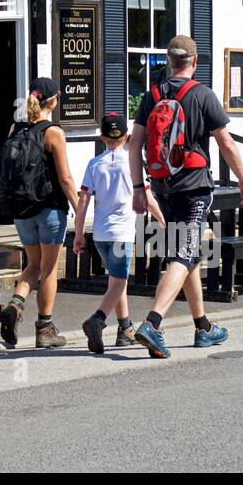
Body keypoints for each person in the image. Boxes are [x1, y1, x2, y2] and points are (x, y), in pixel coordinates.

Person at [129, 35, 243, 359]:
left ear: (169, 62)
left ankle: (203, 327)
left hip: (161, 186)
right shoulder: (202, 95)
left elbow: (134, 145)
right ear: (194, 62)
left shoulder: (151, 96)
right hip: (194, 187)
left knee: (188, 252)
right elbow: (225, 143)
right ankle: (153, 323)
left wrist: (138, 189)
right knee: (184, 254)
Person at [0, 77, 81, 349]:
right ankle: (45, 329)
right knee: (47, 270)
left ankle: (15, 305)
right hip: (49, 209)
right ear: (54, 101)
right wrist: (80, 209)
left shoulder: (15, 128)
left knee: (32, 265)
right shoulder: (53, 133)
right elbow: (66, 179)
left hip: (21, 209)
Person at [73, 112, 163, 353]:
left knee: (116, 280)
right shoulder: (132, 165)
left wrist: (79, 234)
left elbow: (83, 201)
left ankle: (125, 329)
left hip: (100, 234)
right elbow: (148, 198)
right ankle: (97, 320)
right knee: (119, 282)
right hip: (122, 234)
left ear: (102, 137)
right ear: (128, 137)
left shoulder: (94, 164)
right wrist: (162, 220)